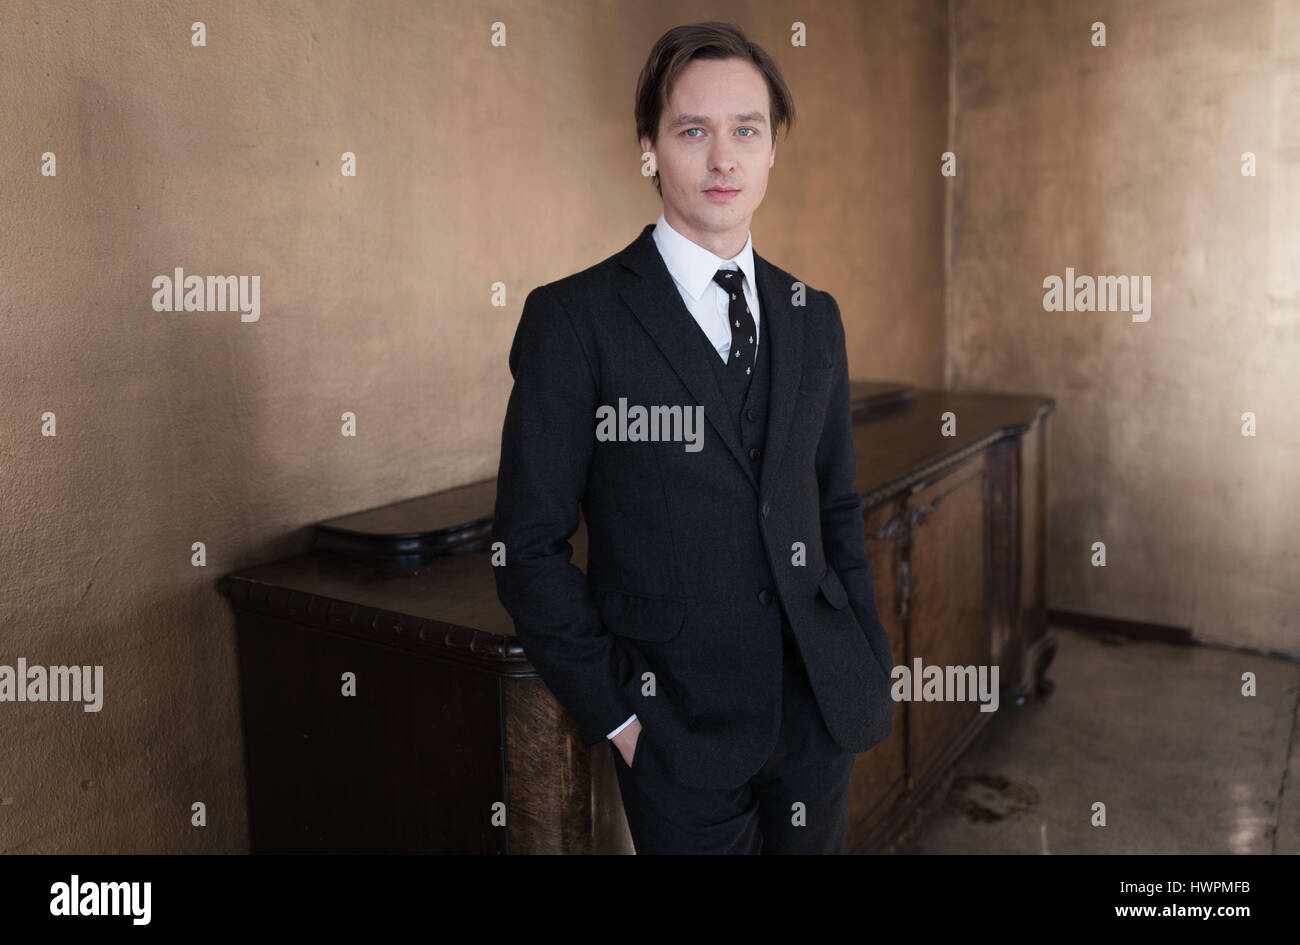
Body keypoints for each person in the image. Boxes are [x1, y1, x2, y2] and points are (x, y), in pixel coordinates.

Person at [492, 21, 894, 854]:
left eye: (746, 130)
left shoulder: (813, 317)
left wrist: (862, 651)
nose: (723, 159)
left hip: (818, 712)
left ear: (772, 149)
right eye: (692, 131)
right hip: (674, 727)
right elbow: (527, 548)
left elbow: (836, 506)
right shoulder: (575, 320)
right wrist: (623, 717)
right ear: (649, 149)